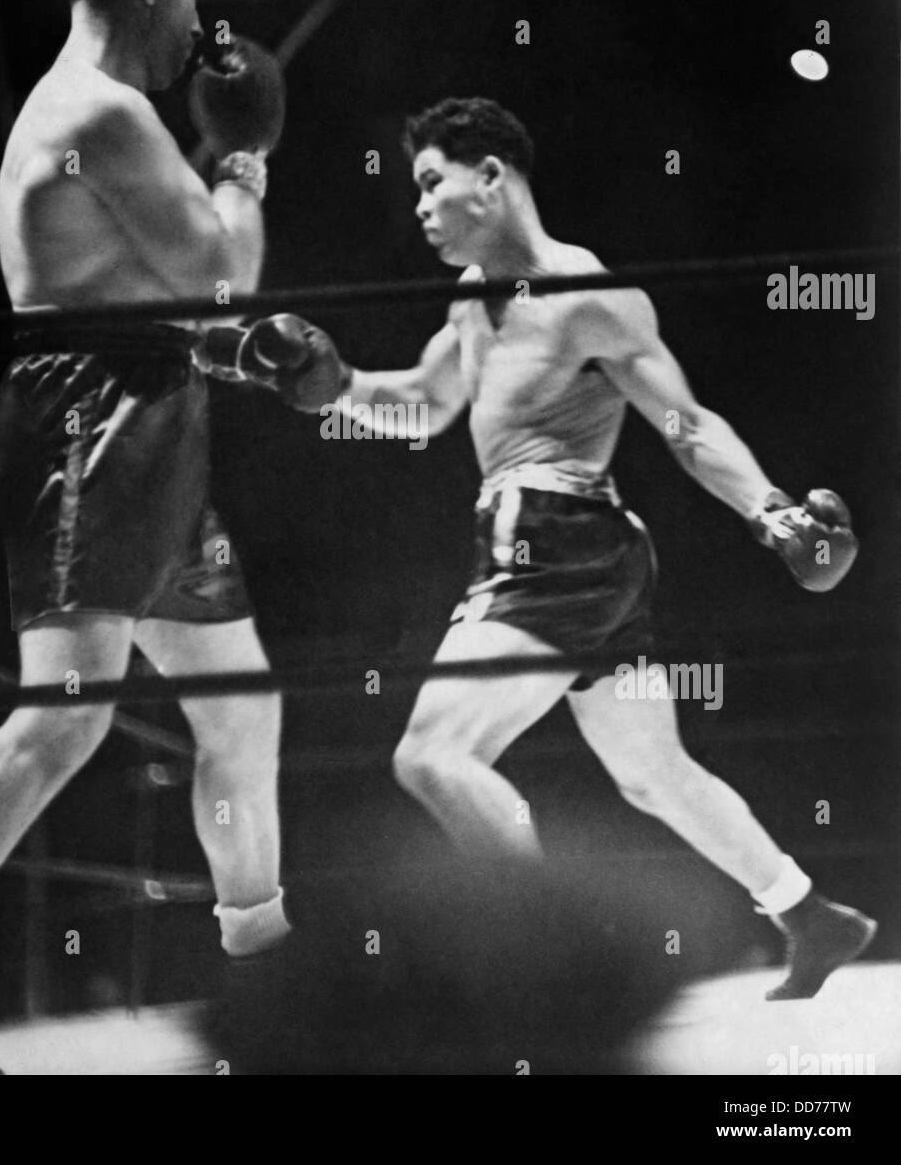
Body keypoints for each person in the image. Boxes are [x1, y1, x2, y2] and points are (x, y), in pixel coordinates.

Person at [0, 0, 343, 1073]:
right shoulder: (102, 114)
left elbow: (164, 311)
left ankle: (265, 981)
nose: (202, 26)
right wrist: (246, 164)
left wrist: (250, 356)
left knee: (241, 703)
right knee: (65, 714)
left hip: (147, 409)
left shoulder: (103, 116)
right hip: (90, 421)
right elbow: (218, 275)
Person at [337, 96, 875, 1000]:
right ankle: (810, 913)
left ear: (492, 178)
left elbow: (685, 421)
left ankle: (545, 974)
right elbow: (422, 408)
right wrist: (326, 386)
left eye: (433, 183)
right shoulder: (472, 301)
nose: (420, 208)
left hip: (557, 540)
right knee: (654, 774)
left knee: (433, 755)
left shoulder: (581, 292)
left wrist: (772, 511)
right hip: (582, 552)